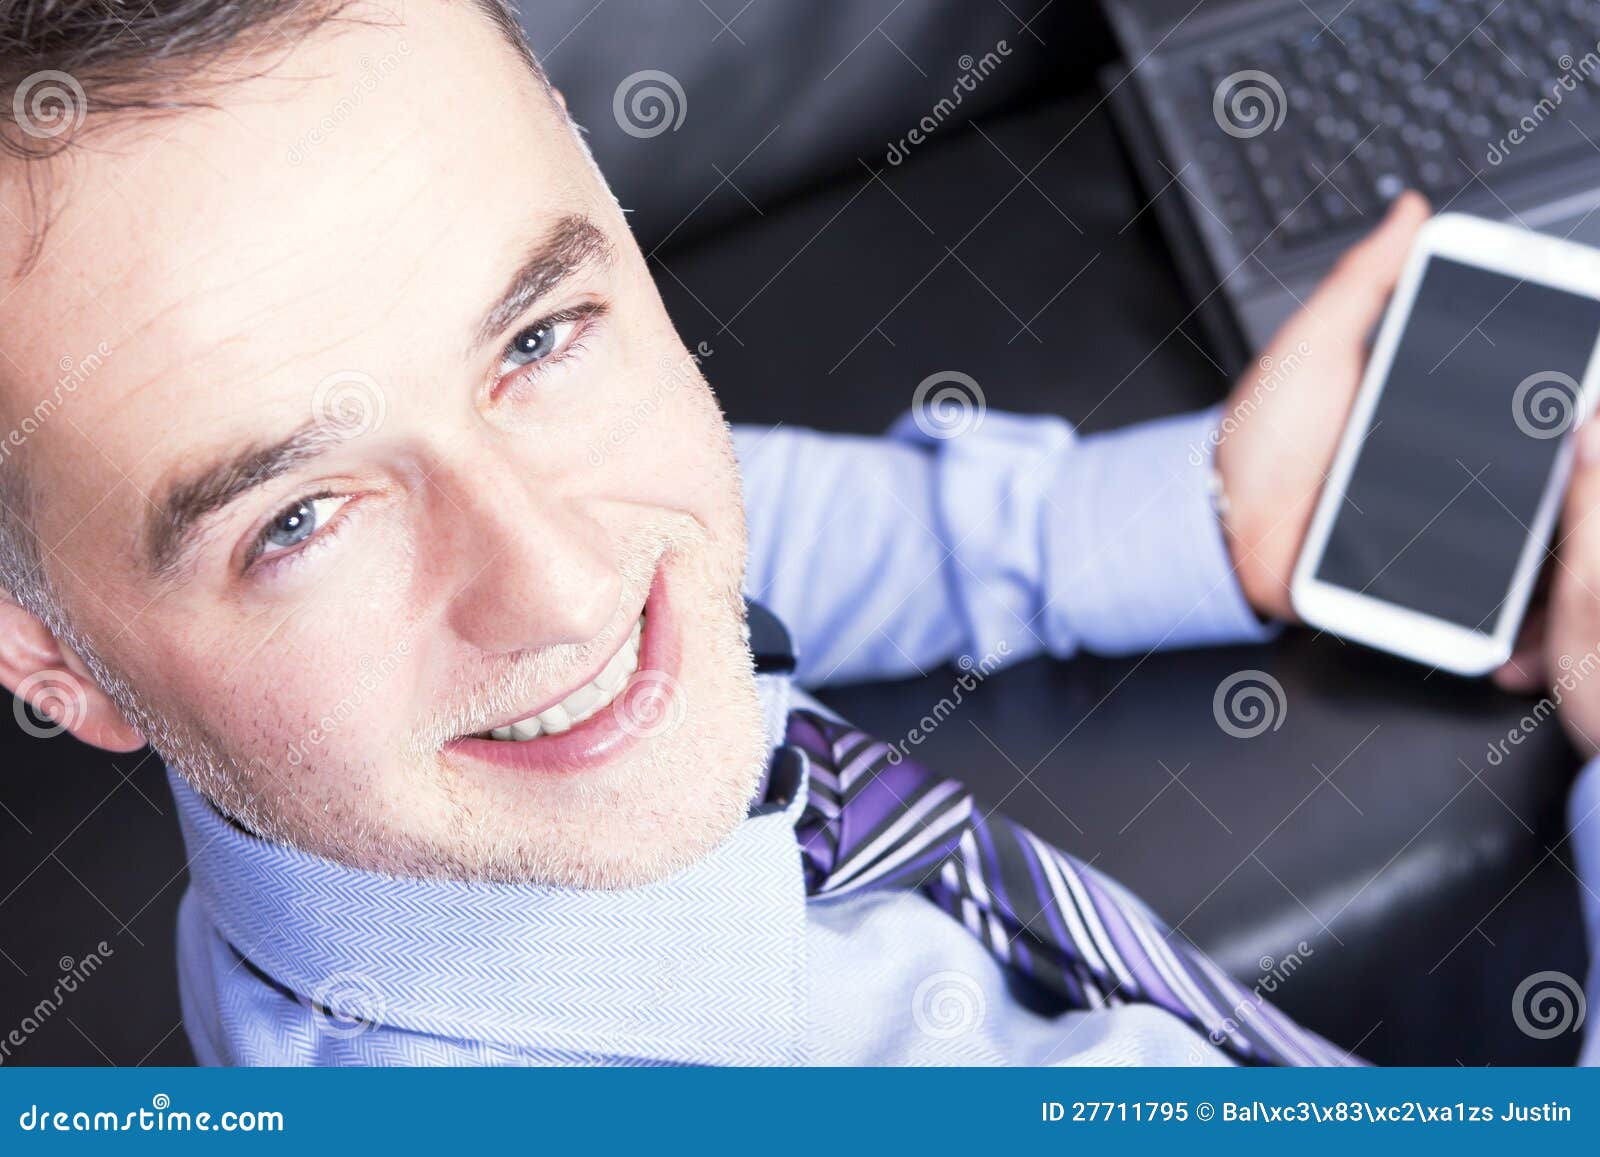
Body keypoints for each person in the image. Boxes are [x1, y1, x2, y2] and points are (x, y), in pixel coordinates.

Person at [0, 0, 1593, 1065]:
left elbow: (731, 494)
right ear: (47, 658)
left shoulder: (334, 811)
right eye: (301, 521)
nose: (570, 583)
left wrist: (1172, 520)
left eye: (539, 340)